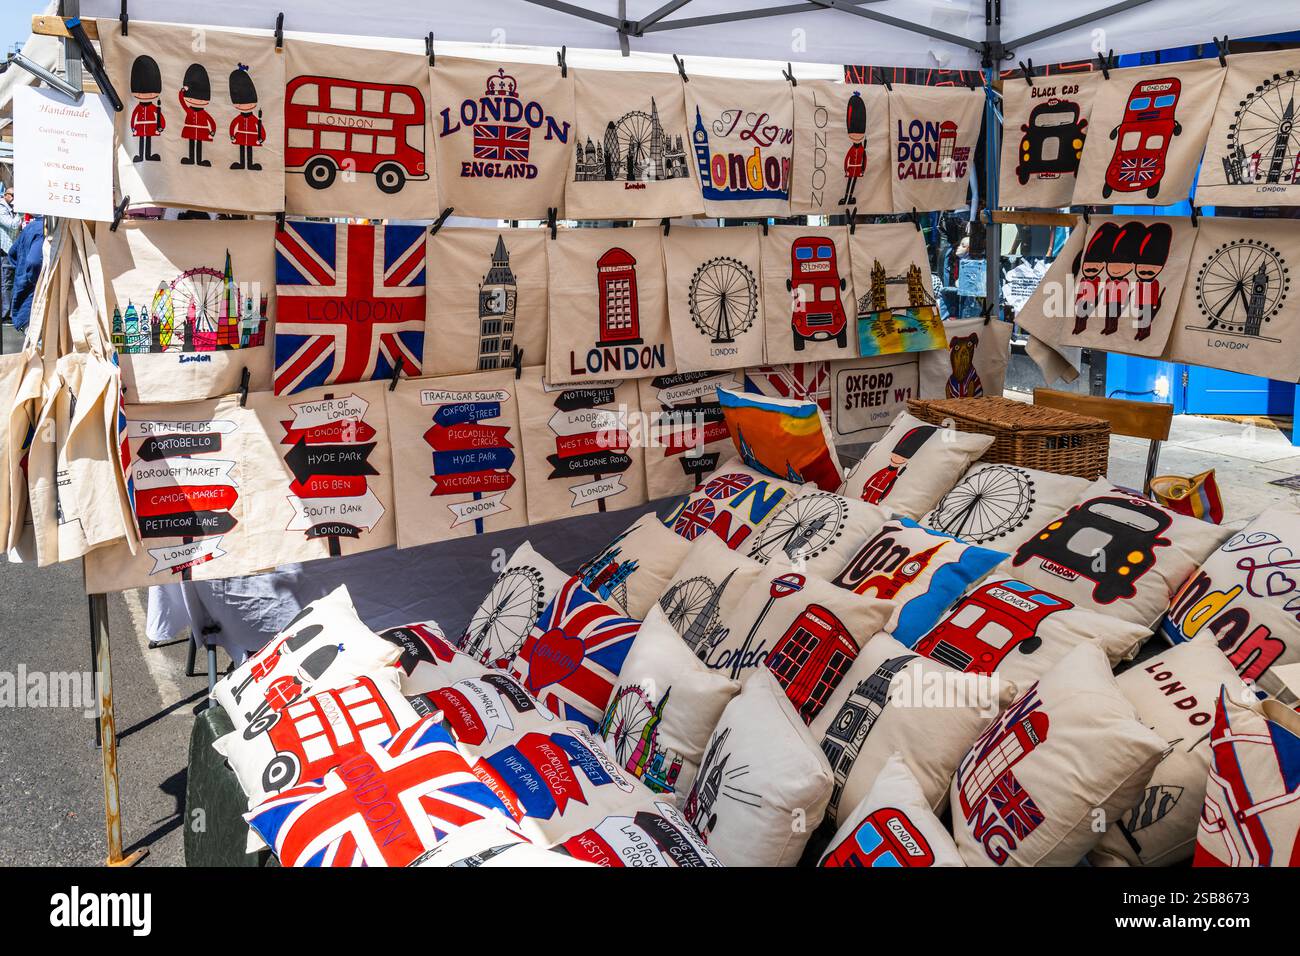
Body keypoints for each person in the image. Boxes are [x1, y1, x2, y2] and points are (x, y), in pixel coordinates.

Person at [8, 215, 44, 334]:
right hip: (34, 301)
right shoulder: (44, 229)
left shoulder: (31, 227)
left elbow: (12, 253)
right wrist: (36, 280)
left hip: (23, 294)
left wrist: (22, 271)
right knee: (37, 343)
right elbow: (34, 262)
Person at [228, 64, 266, 171]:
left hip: (251, 137)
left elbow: (261, 128)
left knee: (249, 150)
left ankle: (250, 165)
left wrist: (262, 138)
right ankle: (241, 164)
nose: (243, 106)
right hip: (240, 136)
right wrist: (232, 135)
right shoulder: (239, 118)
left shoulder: (254, 119)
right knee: (242, 150)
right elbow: (233, 125)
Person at [178, 63, 216, 166]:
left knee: (199, 144)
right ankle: (191, 159)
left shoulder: (203, 113)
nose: (197, 101)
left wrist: (213, 131)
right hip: (191, 131)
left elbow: (211, 121)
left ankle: (199, 160)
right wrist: (182, 91)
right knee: (191, 144)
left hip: (201, 132)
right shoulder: (189, 110)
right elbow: (181, 100)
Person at [0, 187, 22, 324]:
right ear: (5, 195)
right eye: (12, 195)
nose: (14, 198)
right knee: (7, 283)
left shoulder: (10, 209)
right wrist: (20, 211)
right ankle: (5, 314)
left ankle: (10, 312)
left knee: (12, 282)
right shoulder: (2, 209)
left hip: (13, 251)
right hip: (5, 251)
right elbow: (13, 225)